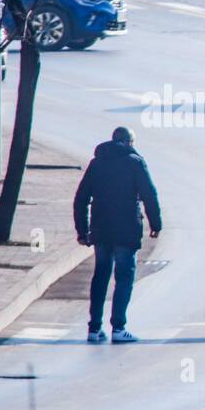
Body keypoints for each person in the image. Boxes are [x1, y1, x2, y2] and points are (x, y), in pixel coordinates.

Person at [73, 127, 162, 344]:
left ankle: (94, 329)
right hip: (126, 231)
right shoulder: (135, 163)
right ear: (129, 142)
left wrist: (82, 230)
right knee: (124, 277)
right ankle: (119, 328)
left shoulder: (96, 163)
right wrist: (156, 224)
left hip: (101, 231)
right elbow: (150, 195)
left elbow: (80, 198)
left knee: (100, 276)